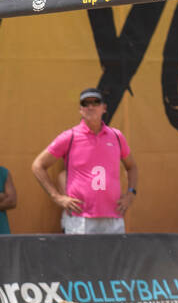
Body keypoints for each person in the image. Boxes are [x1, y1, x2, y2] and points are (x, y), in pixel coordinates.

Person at [30, 88, 137, 235]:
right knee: (81, 258)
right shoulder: (70, 136)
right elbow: (38, 165)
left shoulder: (116, 136)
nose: (91, 107)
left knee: (113, 259)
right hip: (80, 218)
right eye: (85, 103)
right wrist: (56, 197)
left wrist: (131, 193)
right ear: (80, 109)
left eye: (95, 102)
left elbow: (131, 167)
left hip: (113, 215)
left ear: (104, 108)